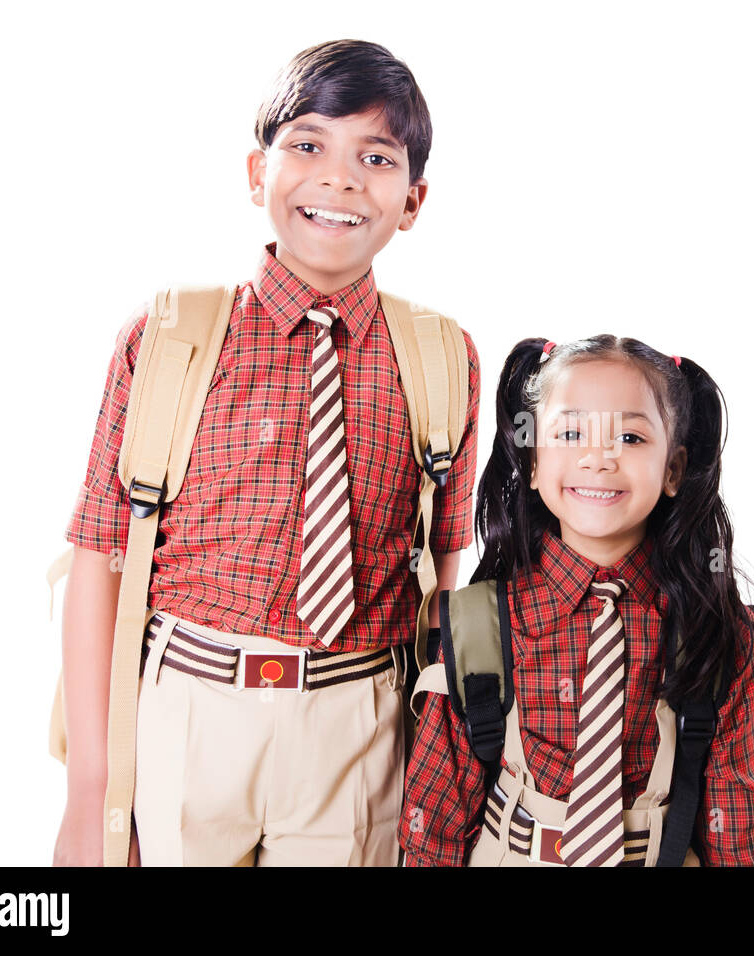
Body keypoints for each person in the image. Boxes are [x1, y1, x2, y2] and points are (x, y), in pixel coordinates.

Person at [52, 38, 481, 867]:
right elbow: (99, 558)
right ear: (258, 174)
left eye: (377, 157)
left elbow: (440, 571)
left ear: (414, 198)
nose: (341, 178)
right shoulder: (171, 334)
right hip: (188, 711)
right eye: (309, 145)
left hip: (357, 726)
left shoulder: (440, 355)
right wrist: (90, 790)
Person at [399, 336, 754, 866]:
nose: (598, 459)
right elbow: (433, 820)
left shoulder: (711, 627)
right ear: (532, 463)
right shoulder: (482, 626)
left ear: (673, 469)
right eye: (571, 432)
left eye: (629, 436)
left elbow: (742, 827)